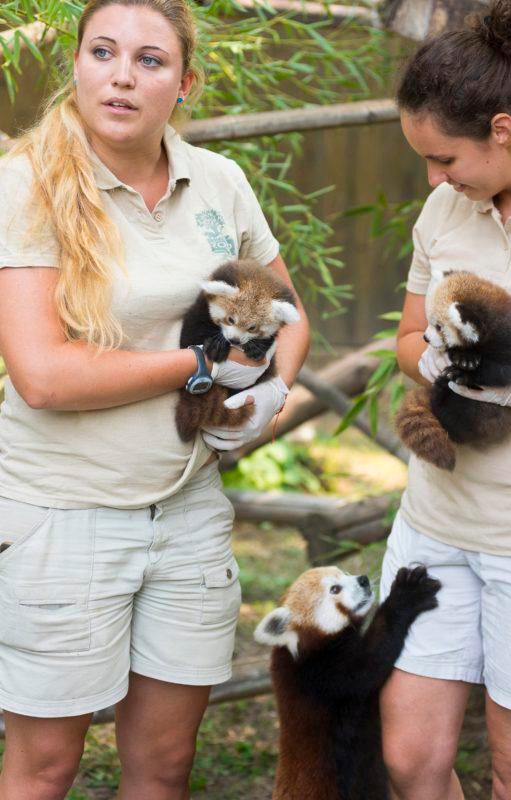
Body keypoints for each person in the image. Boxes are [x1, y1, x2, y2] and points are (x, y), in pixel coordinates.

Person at [0, 2, 310, 799]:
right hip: (65, 512)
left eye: (150, 60)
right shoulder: (26, 183)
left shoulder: (220, 182)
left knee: (165, 768)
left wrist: (268, 396)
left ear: (185, 85)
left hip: (188, 511)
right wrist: (200, 365)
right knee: (45, 767)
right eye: (102, 52)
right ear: (76, 64)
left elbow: (288, 309)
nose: (122, 75)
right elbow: (44, 375)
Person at [377, 2, 511, 799]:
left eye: (444, 158)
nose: (434, 181)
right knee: (407, 759)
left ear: (501, 129)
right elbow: (406, 341)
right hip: (435, 521)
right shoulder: (446, 211)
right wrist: (442, 360)